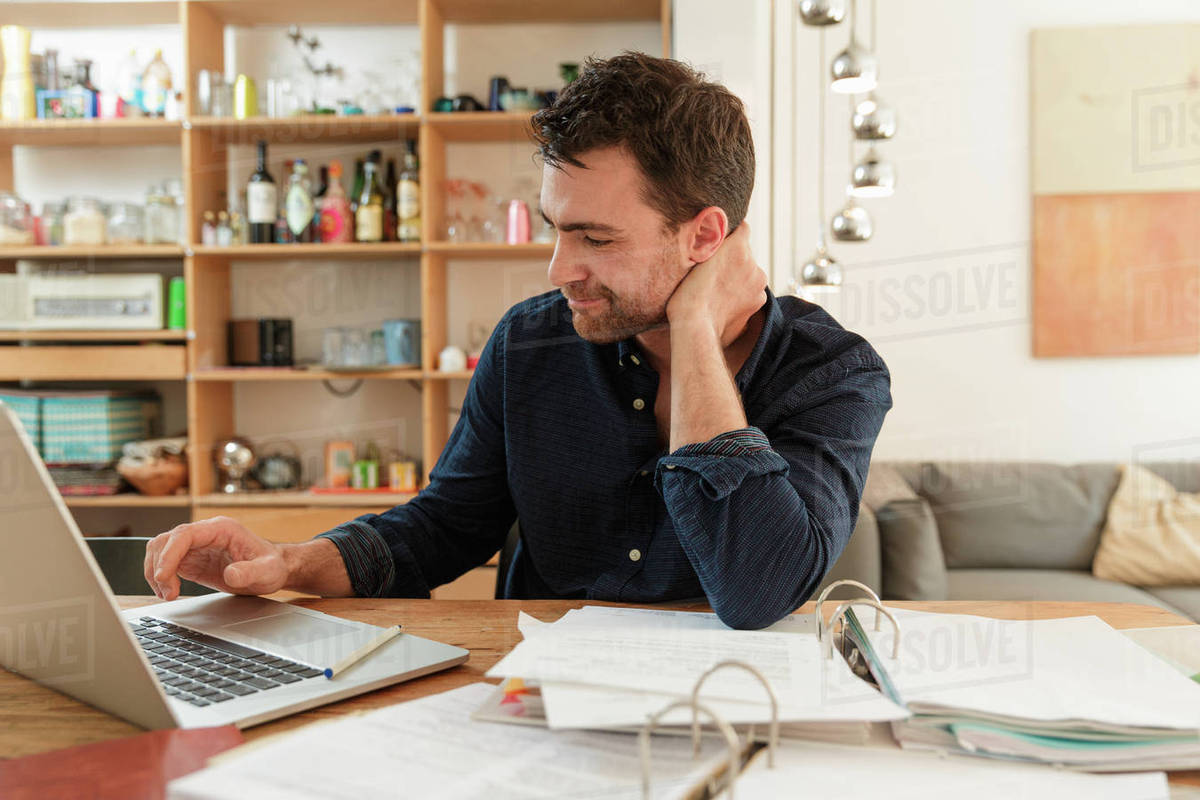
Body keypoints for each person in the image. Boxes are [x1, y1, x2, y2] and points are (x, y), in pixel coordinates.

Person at [145, 52, 891, 630]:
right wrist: (284, 563)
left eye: (594, 237)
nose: (559, 269)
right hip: (532, 704)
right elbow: (442, 529)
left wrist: (693, 328)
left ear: (705, 236)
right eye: (555, 228)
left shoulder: (832, 373)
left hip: (727, 713)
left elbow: (756, 589)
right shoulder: (530, 343)